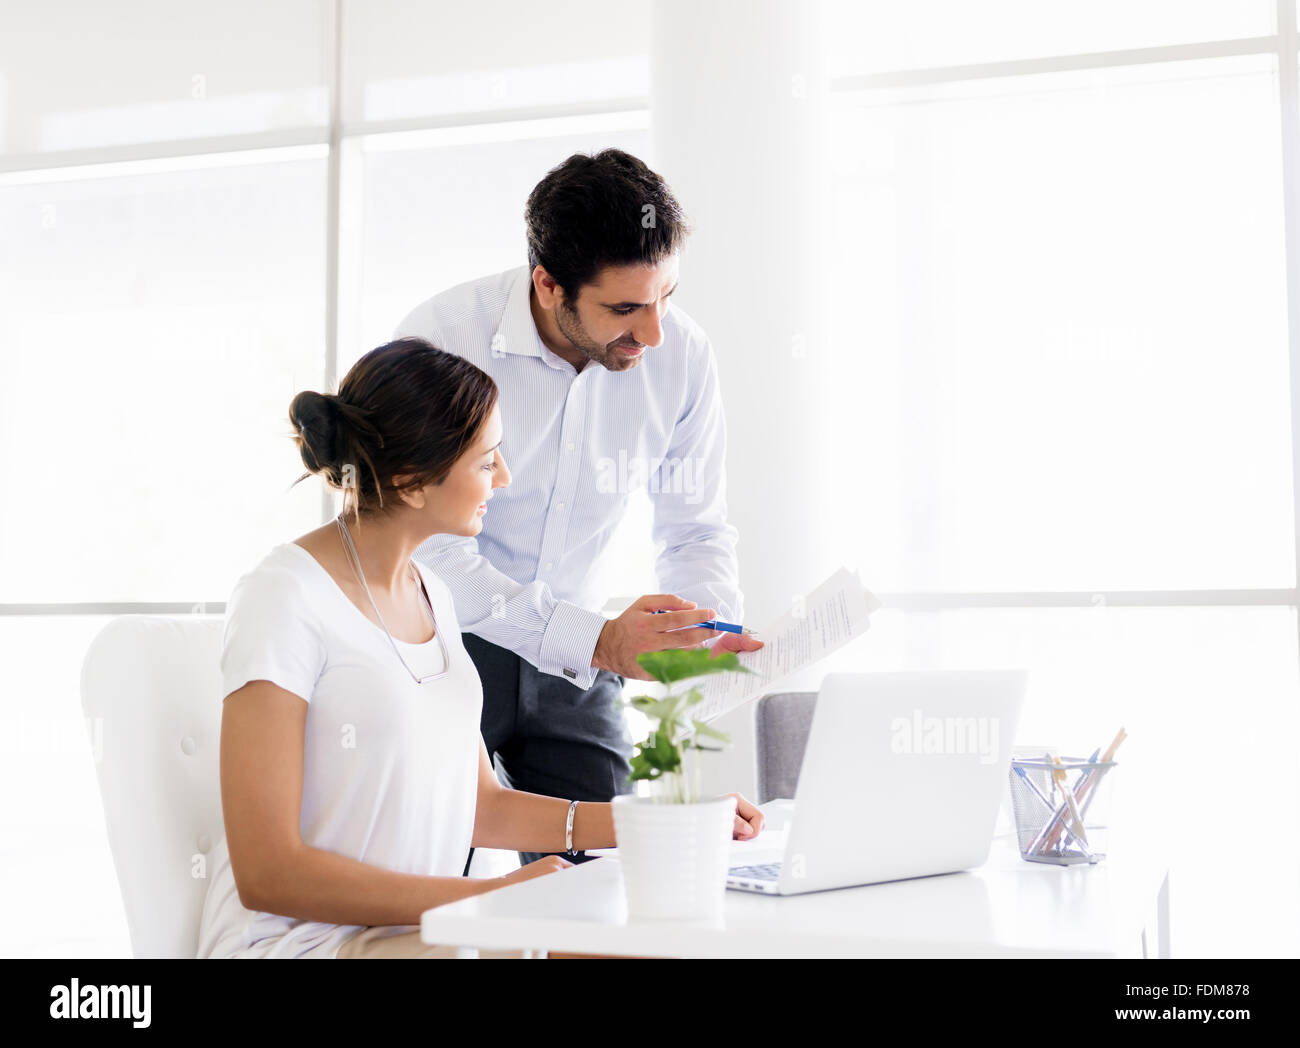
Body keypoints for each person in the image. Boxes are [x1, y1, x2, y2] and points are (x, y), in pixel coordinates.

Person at [194, 338, 762, 959]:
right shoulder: (284, 596)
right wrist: (489, 896)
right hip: (302, 944)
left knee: (657, 942)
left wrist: (669, 823)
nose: (505, 478)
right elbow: (268, 873)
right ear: (413, 482)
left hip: (426, 935)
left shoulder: (432, 593)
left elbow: (481, 806)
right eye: (488, 461)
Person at [395, 149, 762, 871]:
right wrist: (597, 640)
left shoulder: (682, 354)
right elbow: (427, 546)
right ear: (548, 284)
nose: (653, 333)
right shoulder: (442, 341)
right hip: (444, 642)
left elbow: (694, 528)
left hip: (576, 661)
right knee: (425, 862)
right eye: (624, 309)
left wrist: (703, 628)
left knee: (608, 878)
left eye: (664, 297)